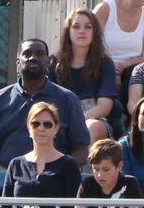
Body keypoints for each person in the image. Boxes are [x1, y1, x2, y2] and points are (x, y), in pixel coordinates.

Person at [0, 39, 91, 173]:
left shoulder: (68, 99)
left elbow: (81, 149)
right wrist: (3, 173)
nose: (33, 58)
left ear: (48, 62)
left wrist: (58, 171)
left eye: (40, 54)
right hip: (3, 177)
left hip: (55, 178)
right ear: (18, 62)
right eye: (27, 53)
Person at [1, 102, 83, 208]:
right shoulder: (15, 164)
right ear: (28, 128)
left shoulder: (68, 164)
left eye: (47, 124)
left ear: (56, 128)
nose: (41, 128)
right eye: (35, 124)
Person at [50, 10, 118, 144]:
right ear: (68, 31)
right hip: (60, 118)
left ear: (95, 33)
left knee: (91, 127)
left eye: (88, 27)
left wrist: (77, 121)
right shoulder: (53, 62)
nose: (82, 31)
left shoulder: (105, 63)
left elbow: (104, 107)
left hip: (94, 118)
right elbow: (48, 102)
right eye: (76, 26)